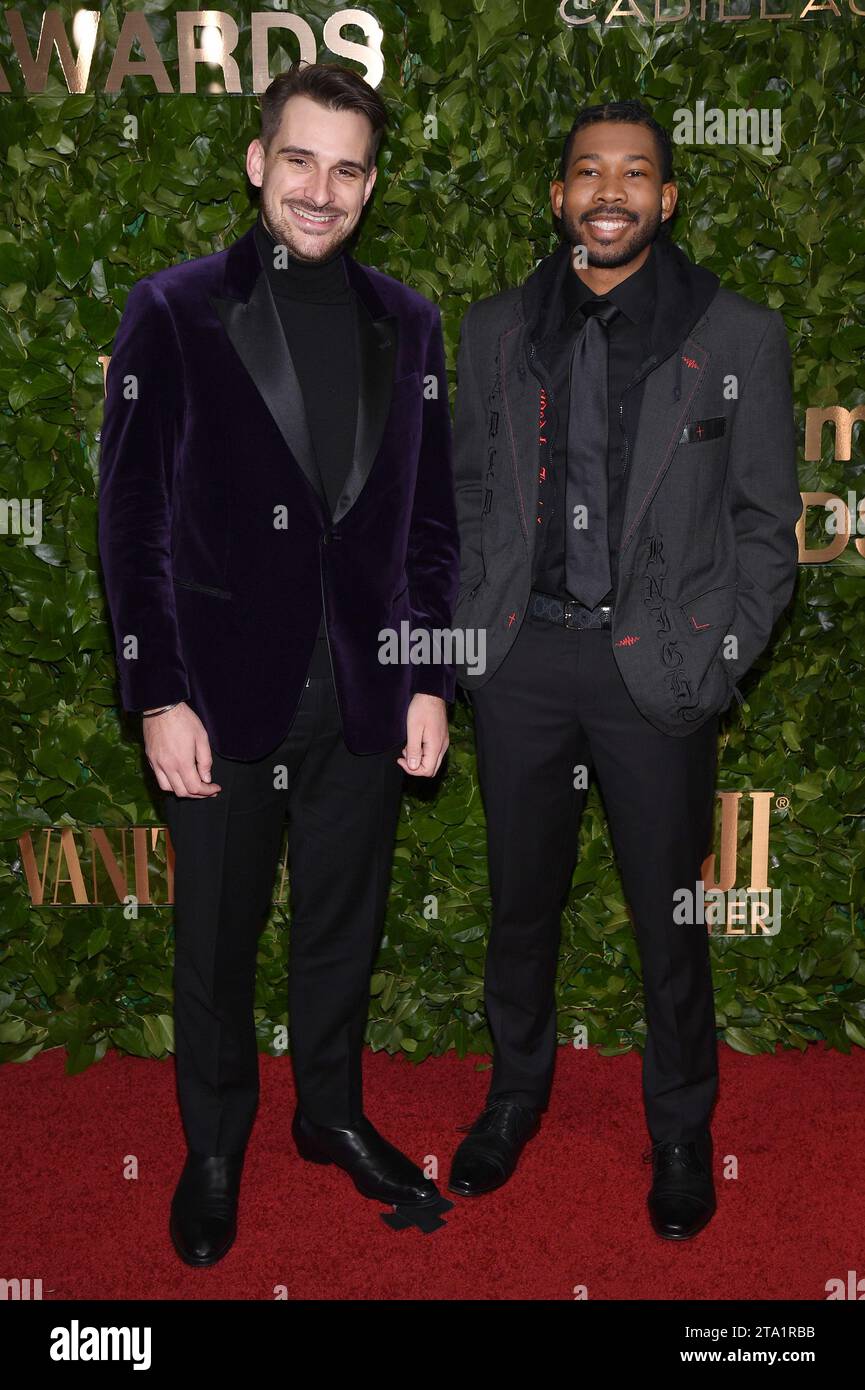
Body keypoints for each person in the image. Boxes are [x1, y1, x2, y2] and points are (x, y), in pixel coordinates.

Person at [98, 61, 459, 1267]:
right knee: (213, 938)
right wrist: (156, 689)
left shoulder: (408, 323)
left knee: (340, 930)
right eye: (298, 159)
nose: (321, 189)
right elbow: (131, 517)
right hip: (217, 694)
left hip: (360, 694)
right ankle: (213, 1149)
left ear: (371, 183)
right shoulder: (174, 309)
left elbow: (427, 524)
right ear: (258, 163)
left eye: (347, 166)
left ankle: (330, 1112)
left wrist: (423, 675)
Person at [448, 99, 801, 1240]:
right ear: (557, 196)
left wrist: (718, 663)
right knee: (520, 908)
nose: (611, 191)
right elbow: (461, 499)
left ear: (667, 197)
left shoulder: (735, 335)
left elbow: (764, 527)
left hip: (659, 673)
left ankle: (682, 1126)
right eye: (588, 173)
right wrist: (471, 644)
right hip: (522, 662)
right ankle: (512, 1097)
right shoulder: (493, 328)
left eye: (635, 174)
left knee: (670, 917)